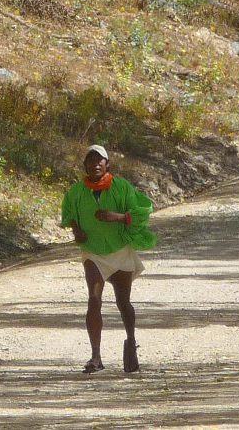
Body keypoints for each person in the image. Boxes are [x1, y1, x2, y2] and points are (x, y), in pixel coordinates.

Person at [61, 144, 156, 374]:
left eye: (99, 161)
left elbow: (142, 213)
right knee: (94, 299)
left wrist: (118, 217)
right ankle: (96, 357)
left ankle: (131, 342)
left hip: (120, 251)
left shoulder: (122, 187)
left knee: (123, 302)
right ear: (84, 166)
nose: (95, 164)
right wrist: (76, 231)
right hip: (93, 252)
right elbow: (70, 213)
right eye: (90, 161)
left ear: (107, 164)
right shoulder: (76, 191)